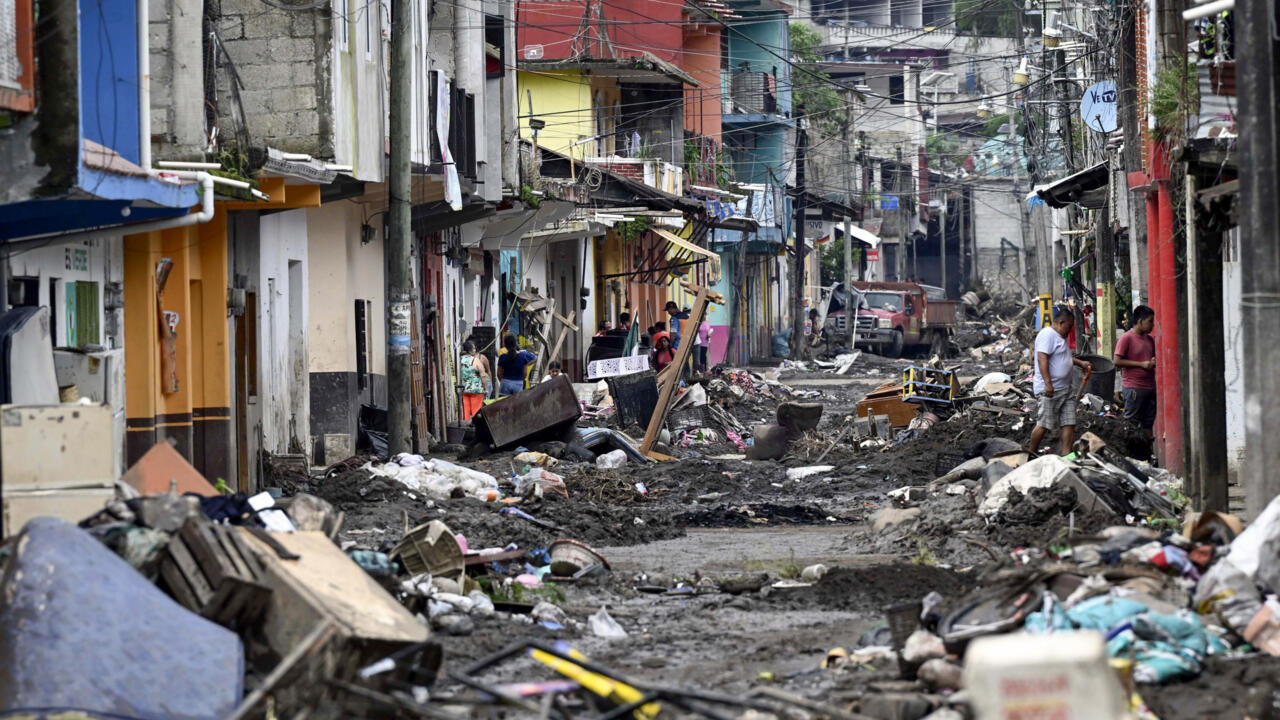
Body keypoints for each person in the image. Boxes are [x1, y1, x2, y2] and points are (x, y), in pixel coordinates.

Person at [1027, 305, 1093, 455]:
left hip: (1065, 389)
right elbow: (1042, 357)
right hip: (1051, 390)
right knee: (1044, 424)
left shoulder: (1059, 337)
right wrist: (1048, 384)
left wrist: (1080, 363)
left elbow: (1064, 357)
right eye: (1069, 327)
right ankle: (1030, 453)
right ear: (1061, 323)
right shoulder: (1047, 334)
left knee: (1069, 422)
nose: (1070, 331)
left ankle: (1066, 455)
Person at [1114, 305, 1157, 431]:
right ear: (1140, 321)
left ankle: (1146, 450)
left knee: (1148, 424)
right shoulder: (1126, 338)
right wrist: (1141, 364)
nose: (1152, 325)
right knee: (1131, 425)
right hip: (1134, 388)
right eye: (1150, 321)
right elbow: (1117, 361)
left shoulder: (1149, 340)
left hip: (1149, 387)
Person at [458, 340, 490, 420]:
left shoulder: (460, 360)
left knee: (466, 412)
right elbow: (483, 376)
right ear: (470, 350)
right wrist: (486, 389)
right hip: (476, 391)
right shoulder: (475, 360)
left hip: (464, 390)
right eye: (474, 349)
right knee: (476, 411)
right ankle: (474, 428)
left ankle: (465, 428)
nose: (475, 350)